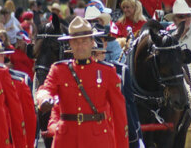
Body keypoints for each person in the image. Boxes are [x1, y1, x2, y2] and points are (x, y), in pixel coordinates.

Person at [34, 17, 127, 147]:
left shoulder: (107, 72)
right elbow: (45, 88)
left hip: (98, 140)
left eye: (84, 41)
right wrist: (44, 98)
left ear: (91, 42)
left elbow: (119, 115)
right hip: (66, 140)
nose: (80, 46)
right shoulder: (58, 69)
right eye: (75, 42)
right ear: (70, 44)